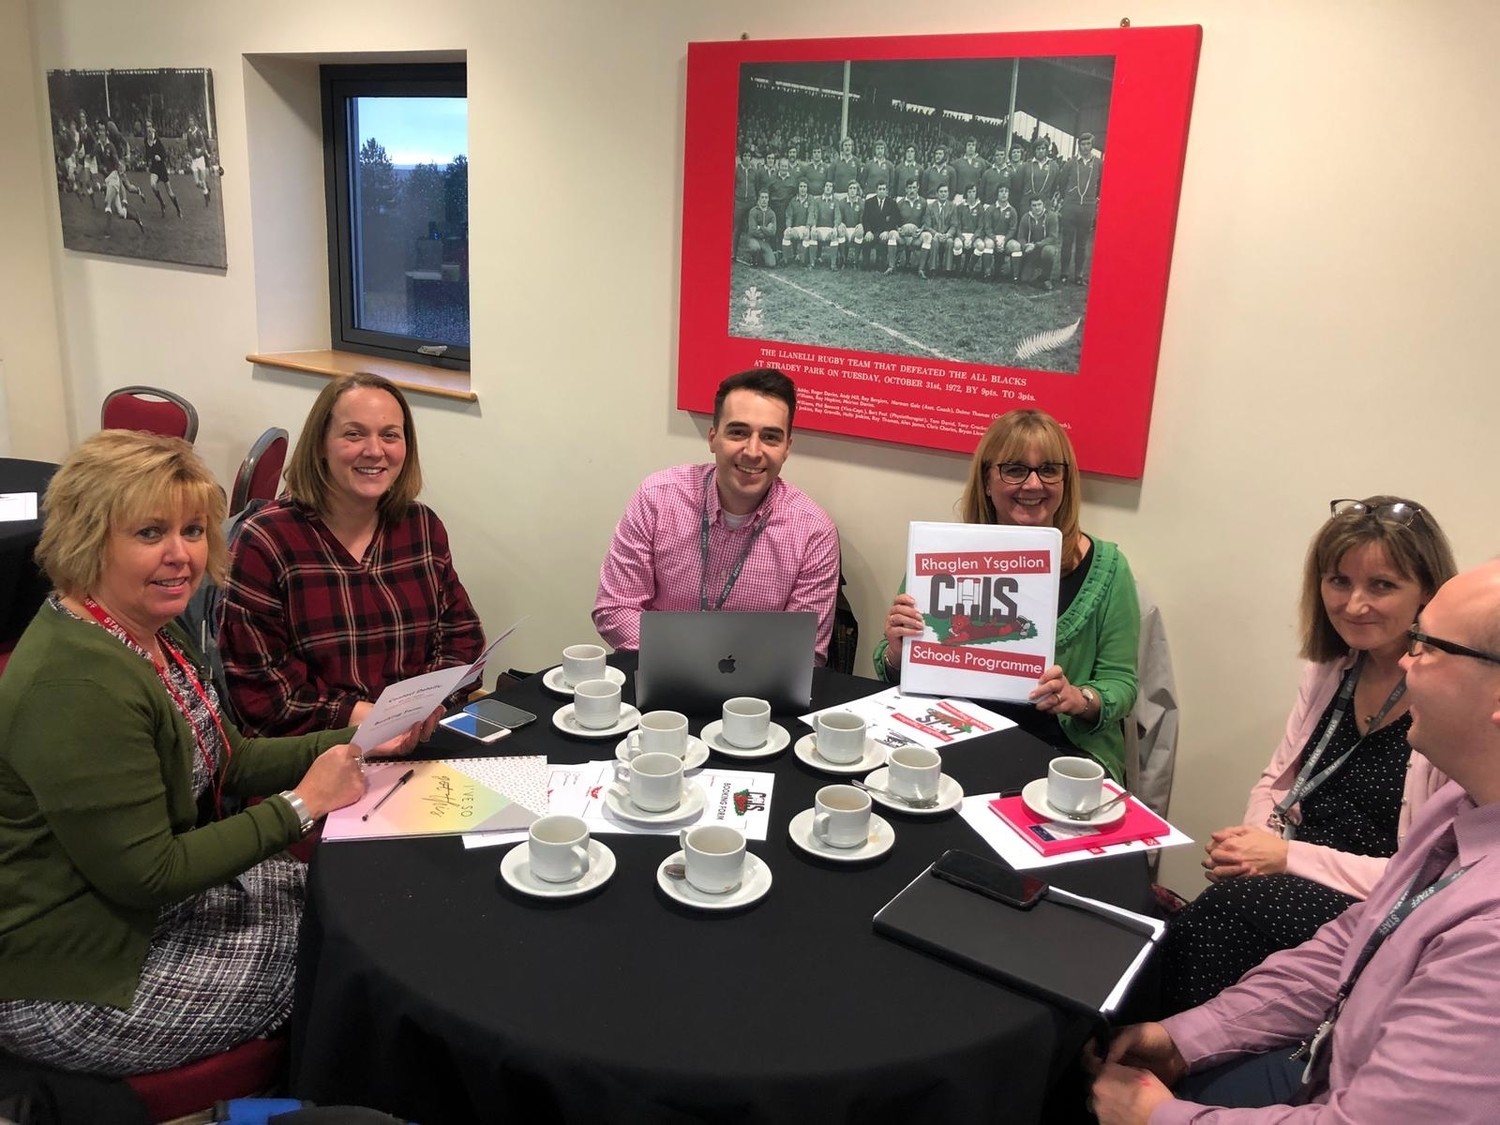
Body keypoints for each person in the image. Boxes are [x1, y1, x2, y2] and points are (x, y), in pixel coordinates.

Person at [0, 431, 414, 1076]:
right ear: (87, 539)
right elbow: (149, 873)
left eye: (193, 530)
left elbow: (228, 759)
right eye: (148, 533)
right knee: (350, 956)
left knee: (358, 899)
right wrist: (304, 804)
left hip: (131, 916)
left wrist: (357, 737)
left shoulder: (143, 631)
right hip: (77, 973)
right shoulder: (76, 686)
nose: (181, 556)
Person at [1089, 558, 1500, 1124]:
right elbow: (1357, 945)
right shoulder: (1463, 806)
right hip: (1322, 1061)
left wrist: (1159, 1118)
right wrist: (1186, 1037)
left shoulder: (1490, 938)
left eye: (1428, 647)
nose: (1407, 660)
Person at [1159, 497, 1457, 1013]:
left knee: (1218, 919)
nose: (1353, 604)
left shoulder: (1450, 701)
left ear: (1428, 593)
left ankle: (1137, 1055)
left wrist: (1285, 858)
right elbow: (1278, 780)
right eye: (1338, 581)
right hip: (1288, 874)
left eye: (1382, 585)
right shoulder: (1330, 670)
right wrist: (1252, 846)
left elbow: (1429, 874)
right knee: (1190, 923)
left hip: (1377, 904)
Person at [874, 410, 1139, 781]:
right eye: (1014, 469)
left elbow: (1121, 683)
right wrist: (898, 653)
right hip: (948, 734)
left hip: (1058, 749)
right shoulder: (942, 556)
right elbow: (888, 666)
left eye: (1048, 470)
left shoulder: (1108, 568)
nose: (1033, 485)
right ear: (986, 480)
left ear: (1066, 481)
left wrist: (1078, 699)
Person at [219, 373, 485, 737]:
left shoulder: (421, 526)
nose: (375, 451)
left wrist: (429, 705)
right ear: (320, 445)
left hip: (417, 737)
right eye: (354, 434)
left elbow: (462, 637)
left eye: (390, 435)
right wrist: (372, 719)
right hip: (313, 754)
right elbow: (263, 694)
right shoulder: (267, 541)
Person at [593, 368, 840, 664]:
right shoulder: (658, 498)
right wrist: (690, 658)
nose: (753, 451)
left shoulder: (814, 531)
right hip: (660, 675)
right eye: (738, 432)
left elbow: (804, 652)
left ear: (787, 448)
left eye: (771, 437)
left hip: (757, 697)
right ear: (713, 438)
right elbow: (614, 608)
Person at [1058, 131, 1101, 284]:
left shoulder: (1098, 163)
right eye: (1082, 144)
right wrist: (1068, 197)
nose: (1085, 147)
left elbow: (1102, 183)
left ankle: (1078, 275)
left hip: (1088, 207)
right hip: (1071, 206)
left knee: (1082, 243)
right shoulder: (1071, 162)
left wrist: (1093, 198)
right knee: (1067, 241)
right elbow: (1062, 182)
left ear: (1092, 145)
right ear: (1079, 146)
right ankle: (1063, 273)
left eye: (1088, 144)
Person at [1017, 197, 1061, 290]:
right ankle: (1033, 270)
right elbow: (1021, 236)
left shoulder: (1051, 216)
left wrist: (1036, 245)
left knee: (1048, 251)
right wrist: (1025, 246)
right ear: (1030, 207)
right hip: (1030, 251)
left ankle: (1046, 278)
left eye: (1039, 204)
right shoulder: (1026, 217)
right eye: (1034, 205)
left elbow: (1053, 237)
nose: (1037, 208)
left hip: (1044, 247)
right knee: (1024, 279)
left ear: (1043, 205)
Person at [861, 181, 902, 273]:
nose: (882, 191)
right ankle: (866, 265)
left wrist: (887, 231)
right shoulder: (869, 202)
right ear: (876, 190)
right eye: (880, 189)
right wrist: (868, 231)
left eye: (884, 189)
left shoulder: (892, 203)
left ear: (886, 191)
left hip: (885, 231)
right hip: (872, 231)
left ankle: (881, 264)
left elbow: (895, 219)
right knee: (866, 241)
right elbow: (865, 219)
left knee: (883, 241)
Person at [143, 121, 181, 218]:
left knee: (170, 192)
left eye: (150, 126)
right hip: (154, 168)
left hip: (161, 168)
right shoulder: (146, 140)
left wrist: (160, 157)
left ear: (152, 127)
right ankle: (162, 203)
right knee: (152, 185)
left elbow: (164, 154)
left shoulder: (157, 140)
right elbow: (147, 154)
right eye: (147, 127)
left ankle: (178, 209)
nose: (149, 129)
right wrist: (148, 163)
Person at [743, 189, 779, 268]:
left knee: (772, 264)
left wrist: (760, 228)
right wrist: (766, 230)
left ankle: (760, 257)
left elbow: (773, 232)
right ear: (759, 198)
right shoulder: (753, 211)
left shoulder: (771, 213)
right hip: (754, 239)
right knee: (755, 248)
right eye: (762, 197)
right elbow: (753, 231)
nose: (764, 200)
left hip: (765, 241)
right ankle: (753, 258)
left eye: (766, 198)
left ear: (768, 199)